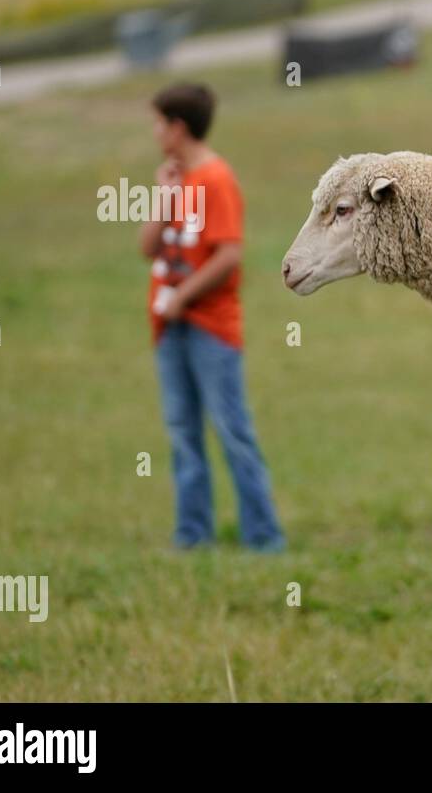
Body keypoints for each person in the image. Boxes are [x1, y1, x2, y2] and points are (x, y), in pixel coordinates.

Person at [139, 82, 284, 552]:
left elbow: (228, 255)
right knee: (182, 434)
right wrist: (164, 196)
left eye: (159, 123)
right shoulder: (176, 181)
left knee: (232, 431)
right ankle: (192, 538)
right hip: (168, 327)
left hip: (210, 328)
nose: (156, 132)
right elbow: (147, 248)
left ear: (178, 128)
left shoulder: (218, 180)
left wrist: (183, 297)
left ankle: (264, 539)